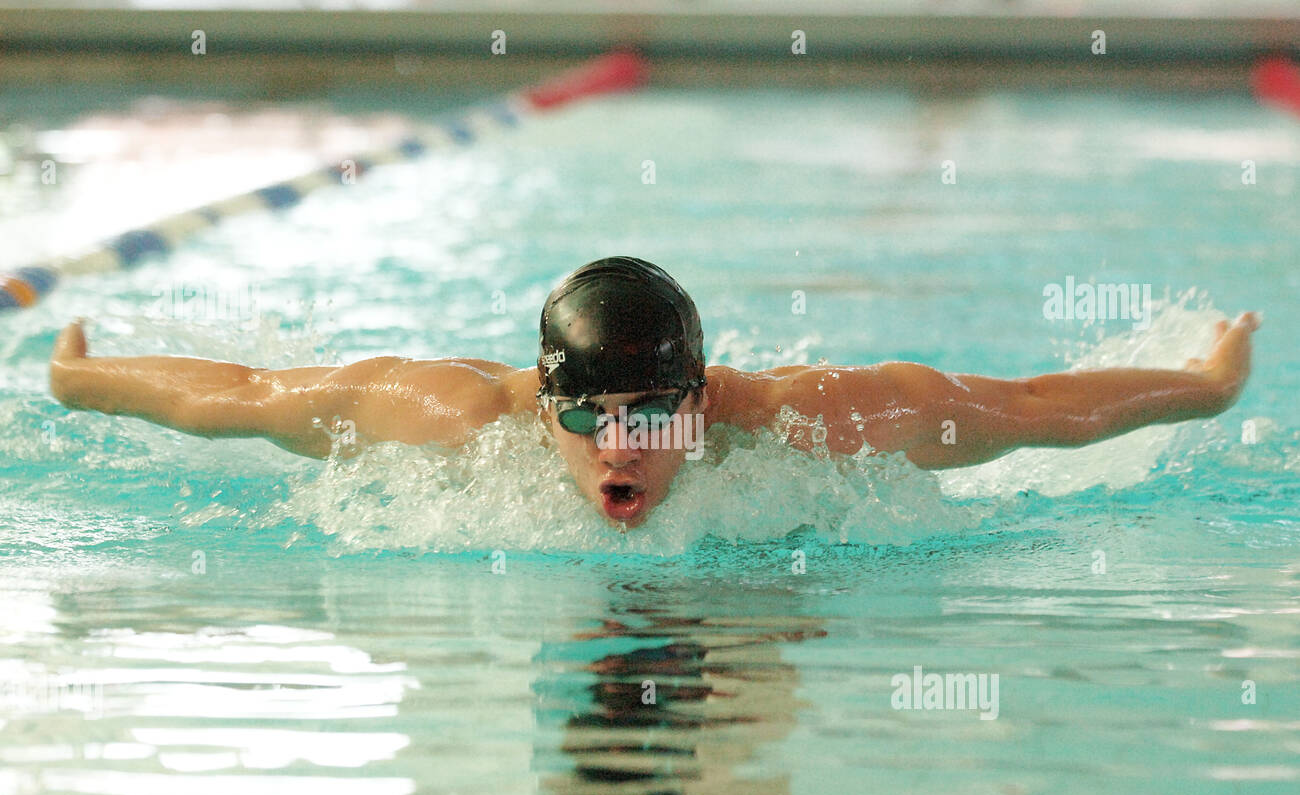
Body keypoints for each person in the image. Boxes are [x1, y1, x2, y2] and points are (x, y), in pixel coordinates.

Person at [49, 256, 1259, 529]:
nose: (620, 447)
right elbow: (244, 393)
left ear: (701, 399)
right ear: (542, 404)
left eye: (656, 417)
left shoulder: (814, 422)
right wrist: (83, 376)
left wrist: (1205, 389)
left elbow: (1041, 408)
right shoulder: (447, 416)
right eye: (589, 417)